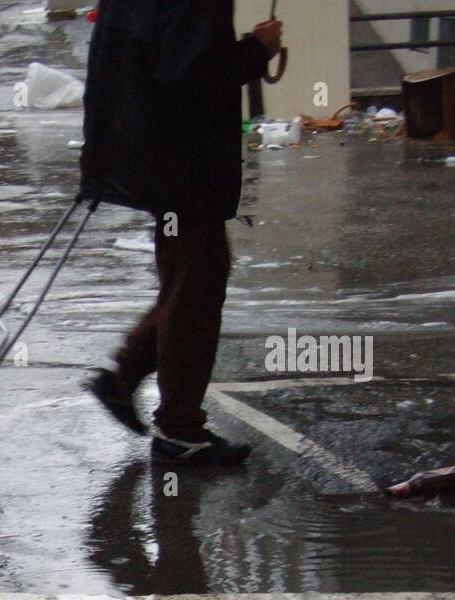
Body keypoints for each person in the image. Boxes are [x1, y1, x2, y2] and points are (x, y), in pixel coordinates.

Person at [80, 0, 283, 466]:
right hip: (184, 160)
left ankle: (125, 377)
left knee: (192, 279)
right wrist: (256, 50)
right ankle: (179, 430)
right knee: (197, 286)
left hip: (151, 149)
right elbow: (190, 76)